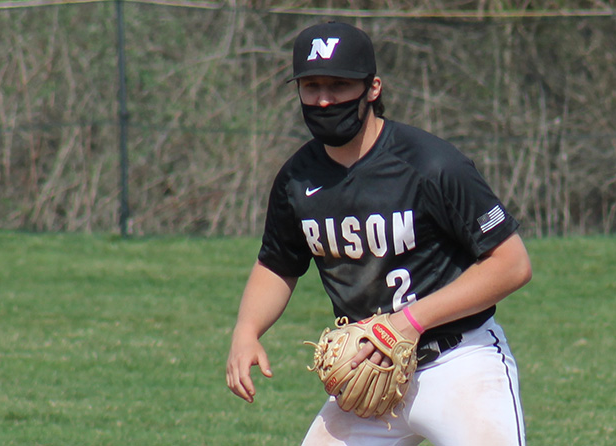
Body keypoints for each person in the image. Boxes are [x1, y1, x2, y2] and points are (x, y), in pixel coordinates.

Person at [226, 21, 532, 446]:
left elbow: (511, 264)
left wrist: (408, 322)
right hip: (367, 372)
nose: (324, 99)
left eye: (339, 84)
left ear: (372, 88)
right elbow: (278, 264)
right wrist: (246, 331)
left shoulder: (431, 164)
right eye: (311, 86)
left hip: (459, 361)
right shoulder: (297, 179)